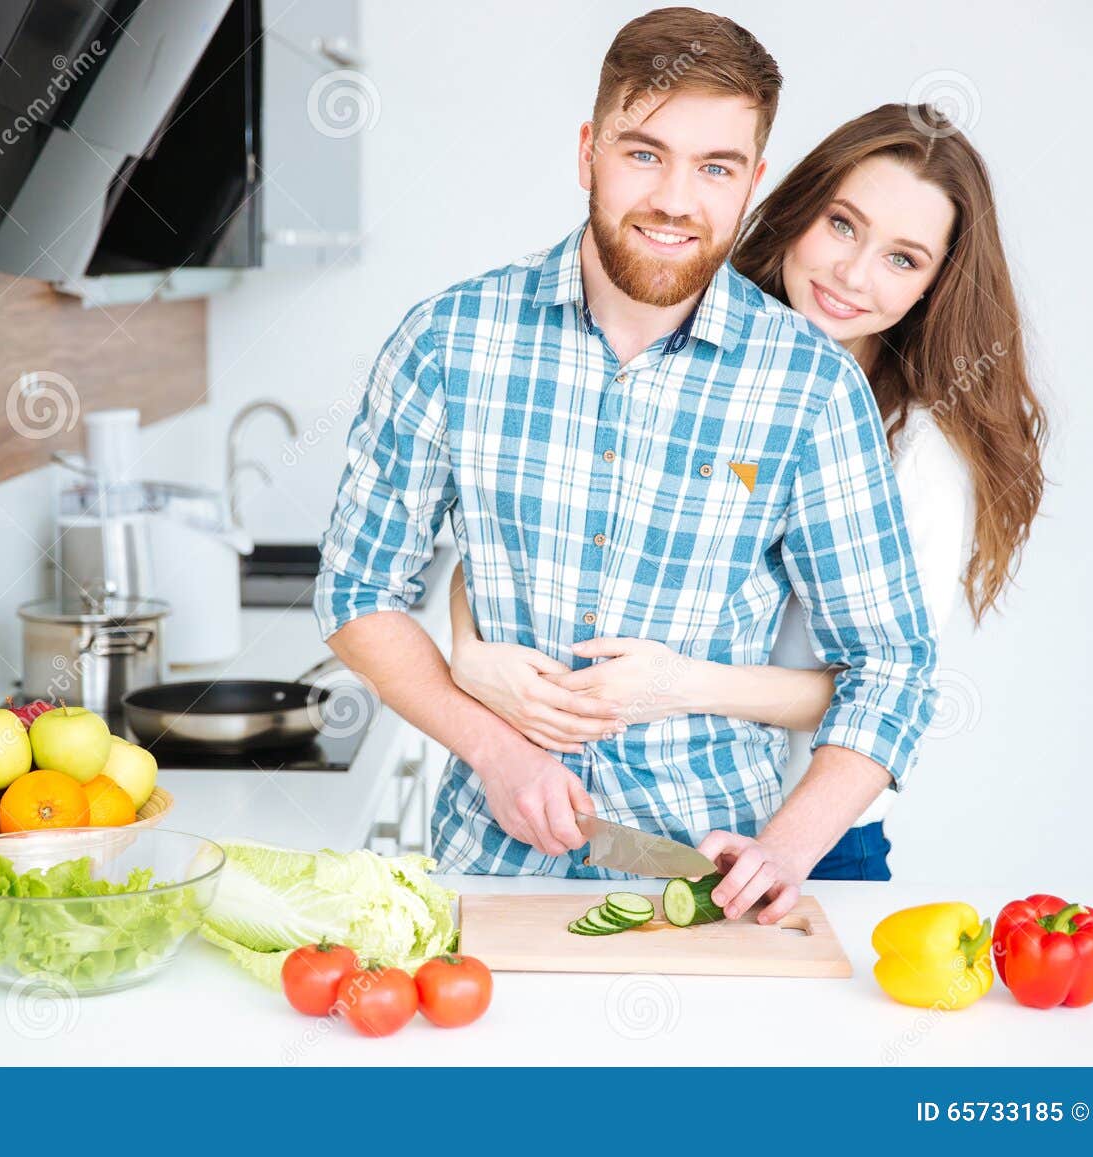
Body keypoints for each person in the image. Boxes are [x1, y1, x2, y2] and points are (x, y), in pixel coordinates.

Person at [315, 7, 937, 923]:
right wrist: (495, 749)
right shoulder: (449, 340)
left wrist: (784, 849)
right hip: (491, 874)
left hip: (707, 887)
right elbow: (357, 592)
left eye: (715, 168)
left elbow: (892, 668)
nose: (677, 200)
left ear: (752, 181)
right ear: (587, 154)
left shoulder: (810, 388)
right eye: (644, 153)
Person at [447, 104, 1048, 880]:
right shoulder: (683, 345)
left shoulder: (919, 454)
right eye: (842, 225)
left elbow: (887, 676)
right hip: (628, 829)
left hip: (807, 834)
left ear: (936, 286)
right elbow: (522, 534)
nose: (852, 274)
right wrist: (469, 653)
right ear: (798, 209)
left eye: (903, 259)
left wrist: (677, 686)